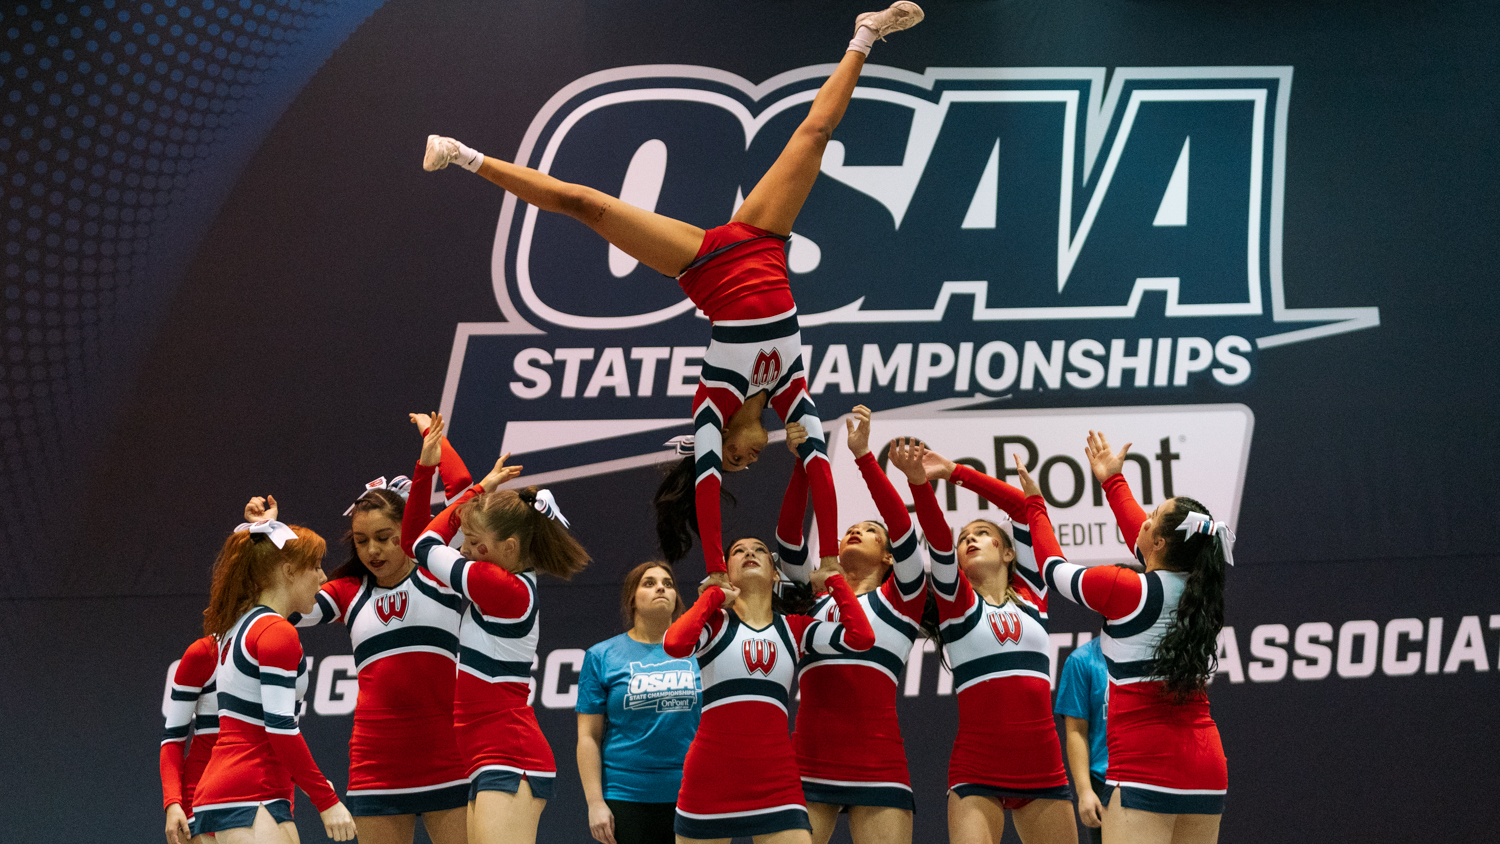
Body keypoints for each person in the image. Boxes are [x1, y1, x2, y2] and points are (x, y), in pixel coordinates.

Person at [421, 2, 925, 578]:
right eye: (743, 462)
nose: (743, 458)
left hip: (703, 265)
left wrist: (714, 571)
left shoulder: (711, 405)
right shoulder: (793, 396)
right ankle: (866, 32)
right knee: (814, 134)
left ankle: (464, 155)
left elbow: (706, 493)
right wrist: (829, 559)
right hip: (764, 239)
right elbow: (818, 474)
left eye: (732, 458)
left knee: (585, 204)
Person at [1029, 431, 1231, 844]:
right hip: (1206, 767)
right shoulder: (1198, 590)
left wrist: (1032, 506)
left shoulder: (1128, 591)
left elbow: (1052, 568)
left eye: (1152, 515)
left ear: (1158, 540)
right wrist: (1112, 480)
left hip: (1145, 765)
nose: (1142, 518)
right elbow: (1148, 544)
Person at [287, 416, 482, 844]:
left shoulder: (439, 572)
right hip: (377, 763)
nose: (372, 549)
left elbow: (465, 493)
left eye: (384, 537)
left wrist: (432, 452)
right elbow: (281, 609)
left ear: (406, 531)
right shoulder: (347, 592)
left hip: (447, 755)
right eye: (361, 540)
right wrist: (264, 538)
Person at [409, 413, 591, 844]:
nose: (468, 551)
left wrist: (478, 490)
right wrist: (438, 448)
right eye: (469, 544)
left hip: (510, 753)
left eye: (477, 545)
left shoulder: (498, 586)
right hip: (488, 755)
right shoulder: (495, 577)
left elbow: (421, 544)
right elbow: (433, 527)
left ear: (509, 548)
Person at [904, 442, 1075, 844]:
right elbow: (937, 538)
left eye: (983, 534)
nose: (971, 540)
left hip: (1044, 768)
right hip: (977, 769)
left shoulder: (1034, 594)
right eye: (965, 538)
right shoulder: (956, 602)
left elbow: (1022, 508)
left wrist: (953, 472)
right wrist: (919, 485)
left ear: (1010, 552)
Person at [774, 407, 927, 844]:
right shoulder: (811, 599)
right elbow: (788, 536)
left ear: (888, 557)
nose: (856, 532)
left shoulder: (903, 601)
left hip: (878, 764)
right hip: (807, 764)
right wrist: (805, 462)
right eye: (849, 530)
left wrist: (863, 457)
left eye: (869, 532)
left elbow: (902, 528)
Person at [663, 535, 876, 842]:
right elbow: (674, 644)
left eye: (760, 549)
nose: (749, 552)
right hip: (711, 778)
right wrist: (711, 597)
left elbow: (861, 638)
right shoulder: (714, 624)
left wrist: (835, 583)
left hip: (777, 780)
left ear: (775, 573)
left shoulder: (794, 628)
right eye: (739, 551)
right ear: (726, 571)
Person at [190, 510, 357, 844]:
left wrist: (265, 530)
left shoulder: (236, 625)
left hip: (214, 798)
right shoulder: (277, 632)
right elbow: (281, 727)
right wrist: (326, 799)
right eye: (315, 567)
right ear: (289, 571)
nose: (323, 578)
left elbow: (253, 554)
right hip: (253, 796)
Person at [575, 561, 701, 844]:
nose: (661, 588)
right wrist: (595, 803)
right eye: (649, 583)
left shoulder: (702, 651)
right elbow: (588, 738)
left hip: (693, 792)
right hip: (624, 794)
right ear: (631, 598)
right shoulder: (601, 656)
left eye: (668, 584)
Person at [160, 635, 220, 844]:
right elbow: (173, 739)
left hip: (265, 794)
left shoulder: (280, 645)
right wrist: (173, 802)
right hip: (203, 796)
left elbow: (282, 734)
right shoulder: (203, 653)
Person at [1055, 635, 1109, 844]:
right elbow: (1076, 732)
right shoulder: (1082, 660)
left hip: (1153, 779)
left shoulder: (1153, 655)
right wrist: (1085, 790)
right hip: (1104, 783)